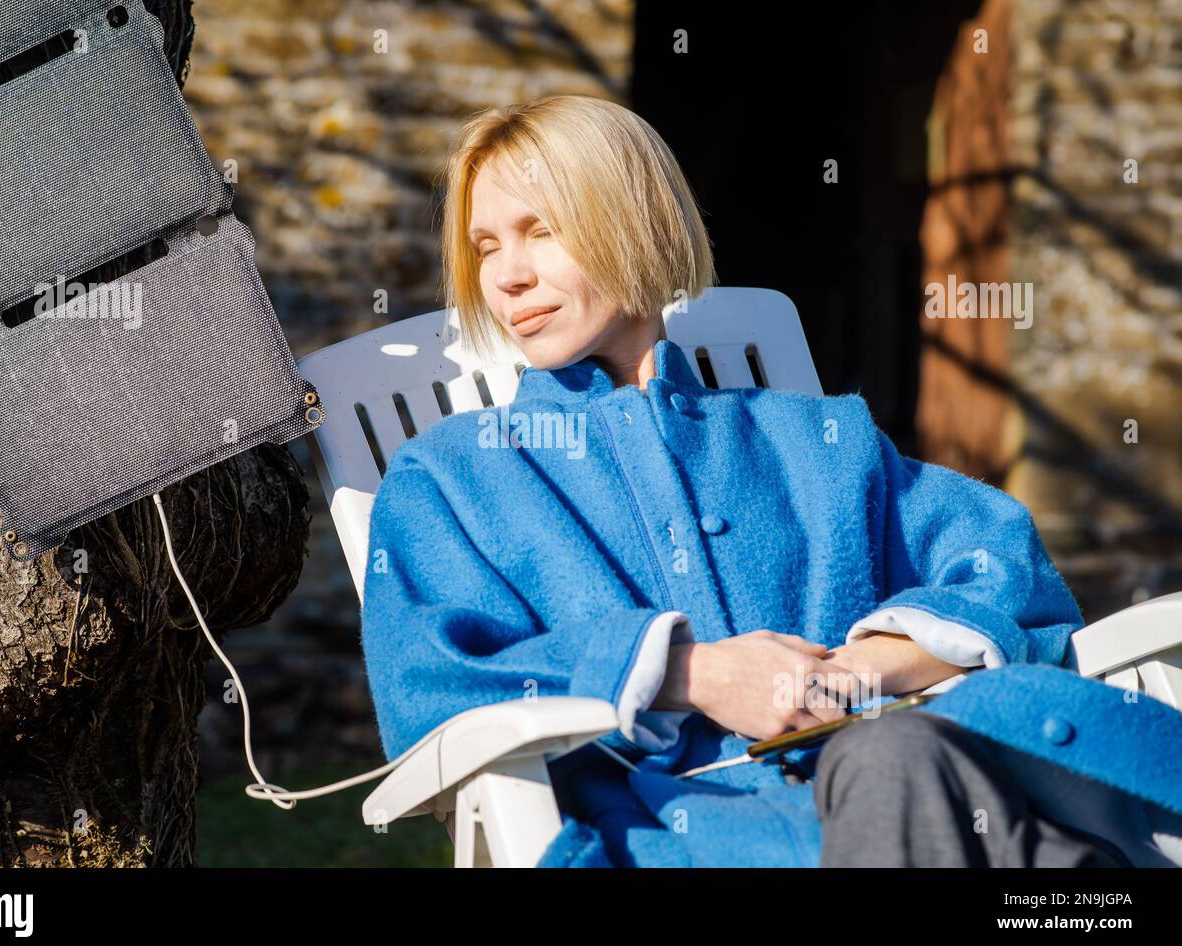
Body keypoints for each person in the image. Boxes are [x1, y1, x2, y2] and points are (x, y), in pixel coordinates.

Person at [358, 94, 1181, 867]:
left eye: (539, 230)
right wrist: (697, 674)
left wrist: (862, 673)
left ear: (633, 223)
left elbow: (1007, 568)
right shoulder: (449, 480)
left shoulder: (818, 438)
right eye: (485, 245)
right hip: (682, 830)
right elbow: (426, 680)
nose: (505, 276)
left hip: (915, 777)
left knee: (910, 761)